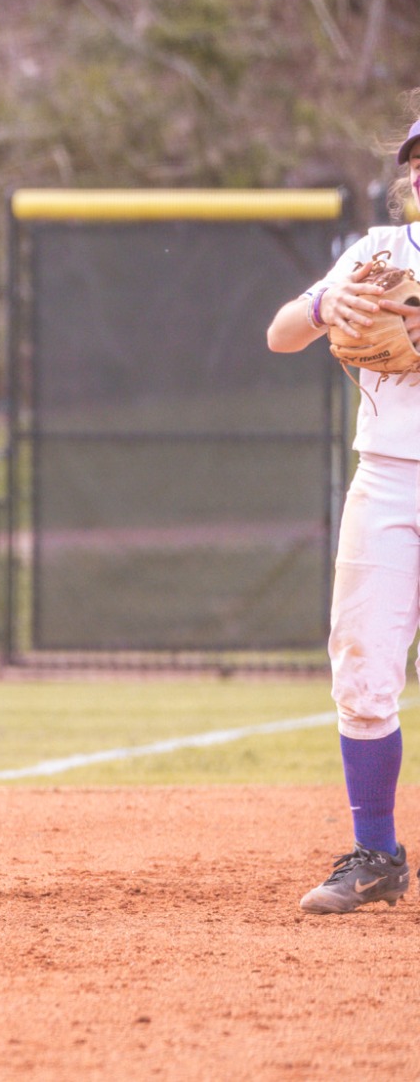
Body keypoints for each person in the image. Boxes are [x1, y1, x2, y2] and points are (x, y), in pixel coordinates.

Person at [267, 112, 420, 912]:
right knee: (361, 670)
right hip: (389, 479)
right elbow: (281, 332)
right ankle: (377, 854)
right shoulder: (377, 255)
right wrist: (329, 305)